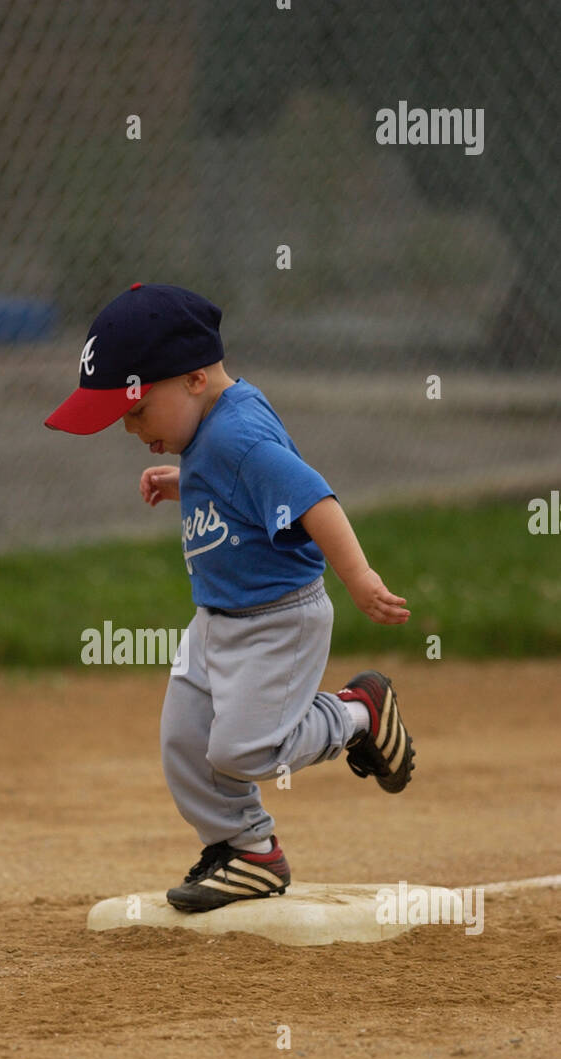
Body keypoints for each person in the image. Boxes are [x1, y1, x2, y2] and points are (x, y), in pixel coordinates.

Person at [45, 283, 414, 912]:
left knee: (245, 749)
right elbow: (233, 480)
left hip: (277, 621)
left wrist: (358, 577)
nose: (131, 428)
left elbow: (313, 498)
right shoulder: (212, 433)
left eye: (135, 411)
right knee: (185, 744)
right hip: (214, 622)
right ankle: (248, 853)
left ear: (192, 379)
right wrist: (189, 481)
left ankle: (360, 715)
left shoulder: (238, 439)